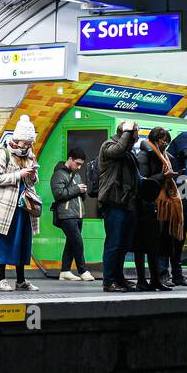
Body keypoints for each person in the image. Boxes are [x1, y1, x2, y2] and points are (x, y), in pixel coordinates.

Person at [0, 116, 41, 291]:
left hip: (25, 205)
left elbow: (34, 182)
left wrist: (32, 175)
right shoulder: (2, 153)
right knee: (7, 240)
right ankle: (1, 279)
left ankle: (21, 280)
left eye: (29, 143)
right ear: (17, 140)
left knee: (24, 241)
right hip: (7, 205)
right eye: (26, 142)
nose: (28, 146)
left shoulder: (29, 155)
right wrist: (20, 174)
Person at [133, 126, 182, 291]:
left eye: (168, 141)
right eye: (164, 140)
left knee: (156, 245)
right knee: (143, 245)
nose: (166, 144)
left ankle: (155, 279)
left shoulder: (163, 156)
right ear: (155, 140)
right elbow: (143, 181)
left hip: (157, 204)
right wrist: (164, 176)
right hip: (146, 205)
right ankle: (142, 280)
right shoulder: (144, 154)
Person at [96, 120, 140, 292]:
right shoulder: (109, 145)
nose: (137, 135)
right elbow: (118, 151)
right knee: (113, 243)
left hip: (127, 203)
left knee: (123, 243)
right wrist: (128, 131)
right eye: (135, 132)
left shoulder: (128, 152)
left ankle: (119, 278)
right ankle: (108, 281)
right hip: (113, 202)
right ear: (126, 133)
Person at [51, 146, 91, 281]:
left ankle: (65, 271)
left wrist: (82, 191)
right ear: (70, 159)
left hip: (78, 214)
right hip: (66, 215)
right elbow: (58, 194)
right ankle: (83, 270)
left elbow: (78, 196)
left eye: (81, 164)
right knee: (78, 242)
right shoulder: (58, 174)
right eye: (77, 163)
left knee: (71, 242)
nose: (79, 167)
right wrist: (76, 189)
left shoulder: (77, 176)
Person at [166, 131, 187, 286]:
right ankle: (166, 274)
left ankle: (177, 275)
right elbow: (169, 187)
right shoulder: (169, 160)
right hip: (173, 208)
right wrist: (186, 184)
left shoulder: (181, 160)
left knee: (178, 244)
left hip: (184, 207)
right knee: (168, 243)